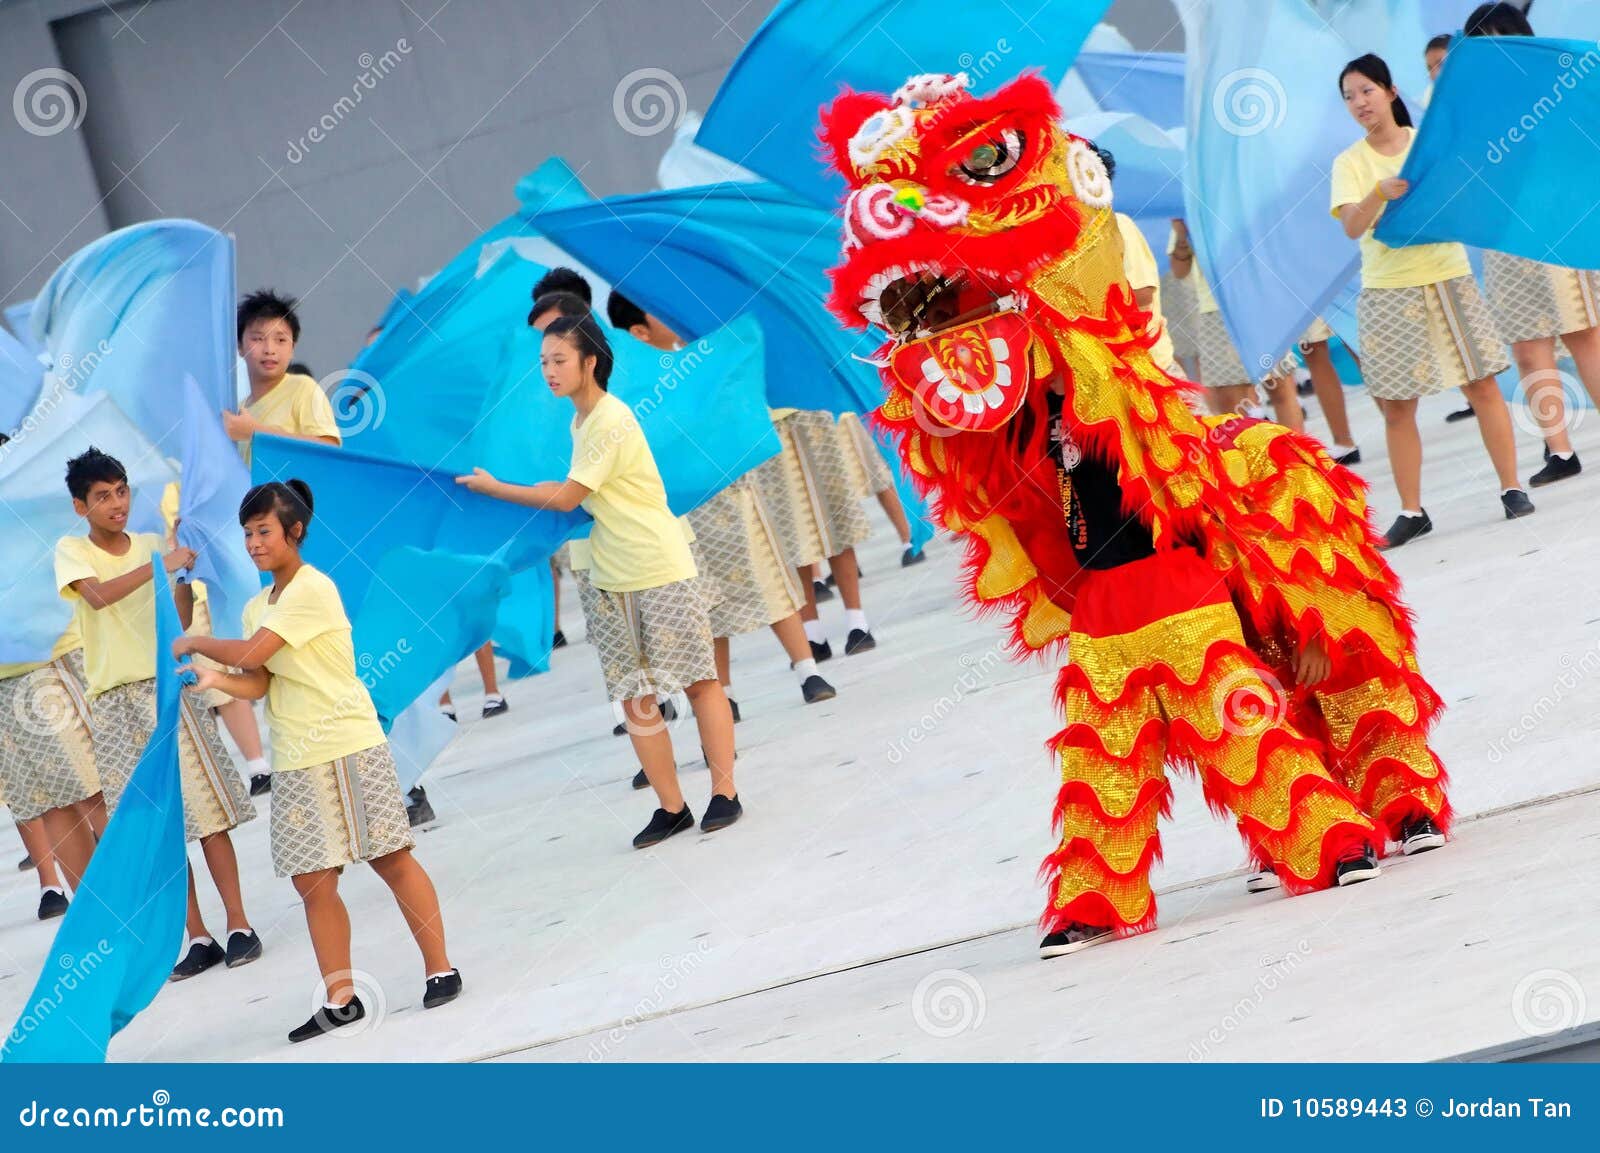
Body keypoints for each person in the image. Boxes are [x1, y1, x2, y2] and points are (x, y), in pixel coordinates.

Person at [820, 71, 1454, 958]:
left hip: (1159, 461)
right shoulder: (997, 330)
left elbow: (1107, 335)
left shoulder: (1095, 243)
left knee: (1311, 655)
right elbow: (959, 396)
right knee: (1103, 740)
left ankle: (1378, 797)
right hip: (1103, 568)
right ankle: (1099, 891)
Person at [176, 480, 461, 1041]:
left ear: (294, 532)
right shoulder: (262, 604)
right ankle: (341, 998)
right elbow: (259, 678)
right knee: (312, 882)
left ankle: (440, 968)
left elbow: (257, 652)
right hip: (298, 757)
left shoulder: (313, 588)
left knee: (391, 860)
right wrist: (217, 678)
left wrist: (194, 643)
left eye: (264, 531)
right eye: (248, 533)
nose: (254, 543)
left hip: (350, 744)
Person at [458, 314, 743, 845]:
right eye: (543, 361)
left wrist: (498, 490)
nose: (549, 370)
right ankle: (671, 806)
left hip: (656, 566)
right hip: (613, 573)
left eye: (559, 360)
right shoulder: (581, 421)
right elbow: (571, 487)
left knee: (699, 682)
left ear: (590, 361)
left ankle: (725, 793)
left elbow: (566, 497)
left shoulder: (609, 418)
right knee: (635, 696)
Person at [55, 448, 260, 980]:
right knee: (158, 827)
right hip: (116, 706)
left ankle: (238, 925)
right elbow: (98, 597)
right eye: (103, 496)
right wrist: (160, 565)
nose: (117, 503)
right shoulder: (73, 550)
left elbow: (180, 616)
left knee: (207, 814)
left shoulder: (152, 544)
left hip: (170, 689)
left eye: (121, 491)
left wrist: (186, 576)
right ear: (82, 506)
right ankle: (196, 936)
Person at [606, 290, 839, 717]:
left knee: (768, 576)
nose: (666, 311)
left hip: (733, 493)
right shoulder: (629, 386)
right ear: (638, 331)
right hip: (684, 511)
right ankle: (725, 693)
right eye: (654, 311)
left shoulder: (698, 358)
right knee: (707, 602)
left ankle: (808, 669)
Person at [1332, 53, 1533, 547]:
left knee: (1482, 386)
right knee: (1398, 407)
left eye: (1367, 91)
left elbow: (1465, 198)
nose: (1359, 103)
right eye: (1350, 97)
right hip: (1388, 290)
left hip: (1448, 277)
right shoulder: (1350, 162)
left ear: (1391, 91)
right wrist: (1378, 193)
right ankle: (1411, 510)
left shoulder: (1429, 147)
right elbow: (1352, 226)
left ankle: (1512, 487)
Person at [1466, 4, 1600, 486]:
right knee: (1527, 347)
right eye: (1481, 44)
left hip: (1556, 229)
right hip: (1506, 239)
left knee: (1583, 334)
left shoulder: (1558, 85)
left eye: (1500, 38)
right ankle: (1560, 450)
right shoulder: (1475, 103)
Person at [161, 482, 274, 797]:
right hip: (178, 593)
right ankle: (221, 778)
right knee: (201, 692)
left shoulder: (193, 481)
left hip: (210, 592)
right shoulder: (158, 491)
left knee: (225, 684)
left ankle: (257, 766)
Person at [0, 617, 107, 918]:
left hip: (53, 660)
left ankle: (148, 905)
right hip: (5, 680)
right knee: (46, 804)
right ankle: (99, 922)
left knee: (93, 790)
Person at [225, 291, 340, 466]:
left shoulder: (303, 388)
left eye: (280, 340)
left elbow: (329, 450)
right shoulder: (239, 413)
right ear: (239, 346)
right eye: (258, 338)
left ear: (292, 348)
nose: (269, 349)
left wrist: (255, 432)